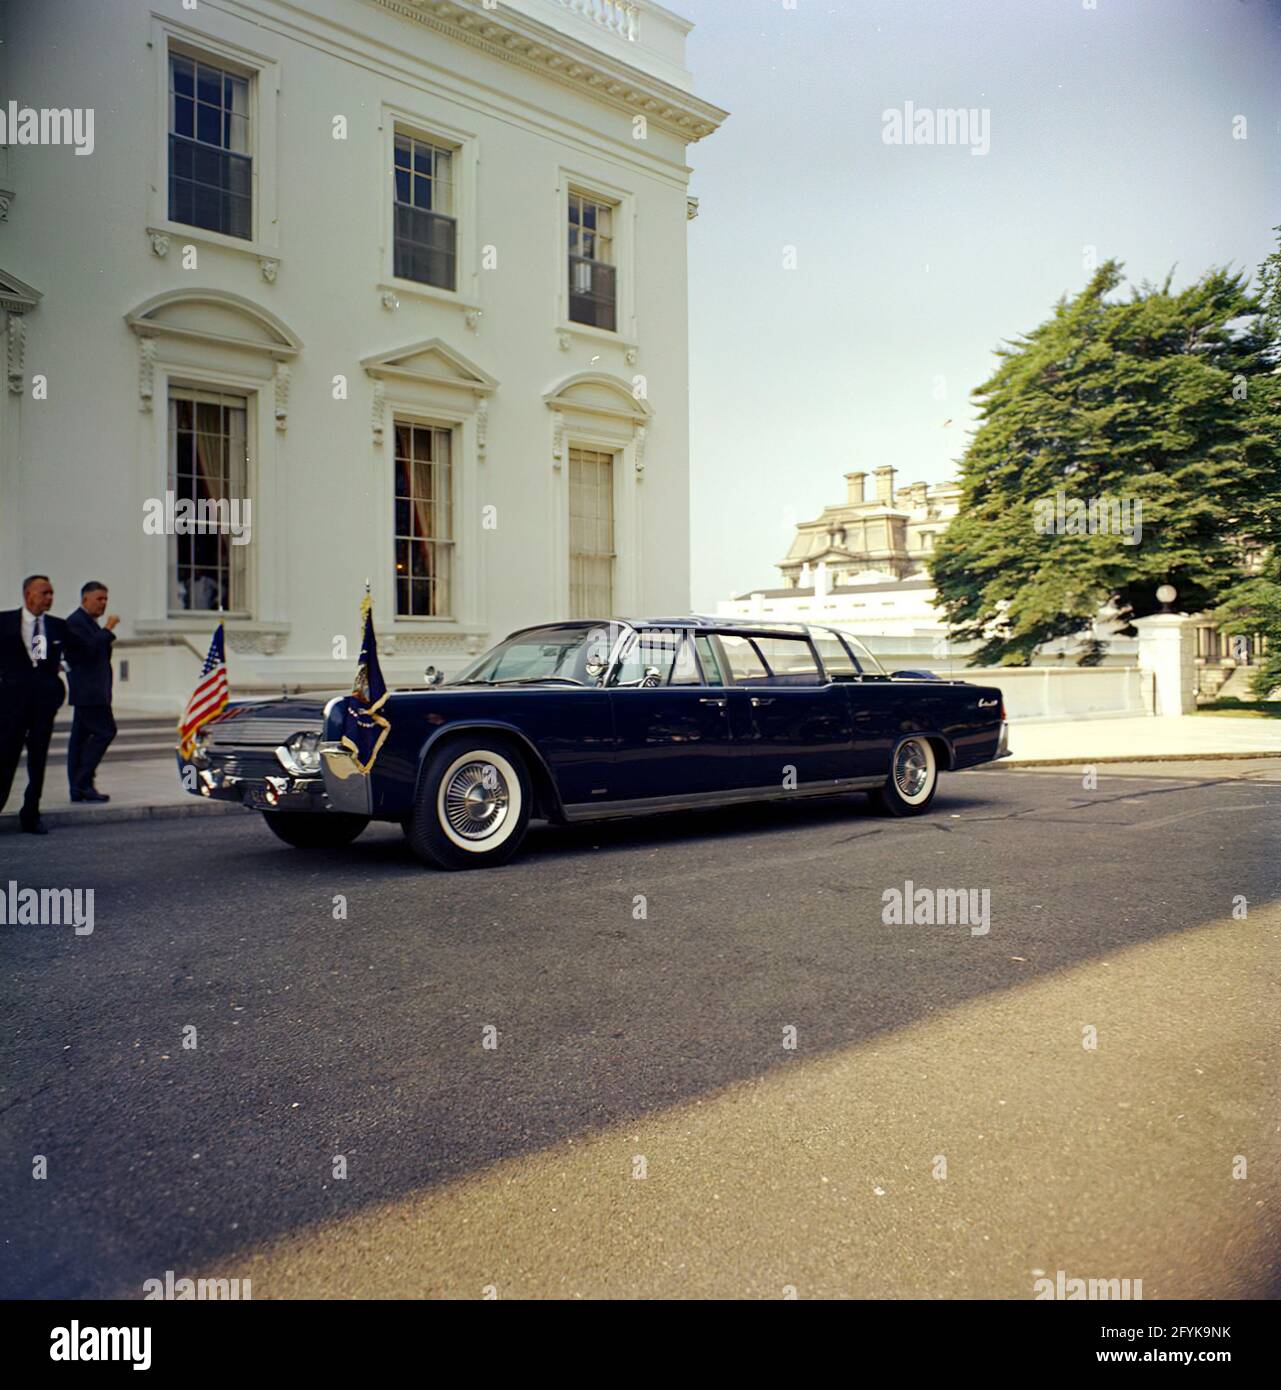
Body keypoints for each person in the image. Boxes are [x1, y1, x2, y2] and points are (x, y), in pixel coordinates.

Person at [0, 575, 69, 834]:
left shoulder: (57, 626)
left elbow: (76, 654)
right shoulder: (4, 622)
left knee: (37, 762)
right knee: (5, 759)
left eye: (51, 593)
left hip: (42, 707)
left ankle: (31, 814)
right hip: (10, 707)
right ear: (28, 594)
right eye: (45, 593)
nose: (50, 598)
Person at [64, 580, 120, 803]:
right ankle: (82, 781)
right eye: (99, 599)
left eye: (105, 599)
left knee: (79, 740)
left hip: (93, 692)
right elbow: (87, 651)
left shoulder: (88, 623)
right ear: (85, 599)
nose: (103, 603)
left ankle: (80, 787)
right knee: (106, 732)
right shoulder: (75, 623)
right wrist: (108, 630)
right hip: (89, 693)